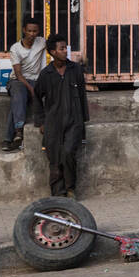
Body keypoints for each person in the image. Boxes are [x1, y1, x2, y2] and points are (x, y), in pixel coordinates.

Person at [34, 35, 90, 197]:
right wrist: (41, 122)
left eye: (66, 48)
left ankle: (71, 189)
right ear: (53, 52)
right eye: (62, 49)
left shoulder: (76, 70)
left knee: (67, 153)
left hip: (74, 121)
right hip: (53, 123)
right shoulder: (46, 74)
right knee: (55, 159)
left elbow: (82, 95)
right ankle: (58, 195)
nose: (65, 51)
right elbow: (37, 97)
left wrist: (83, 121)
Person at [2, 16, 45, 152]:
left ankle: (9, 139)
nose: (32, 34)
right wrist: (31, 90)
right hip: (17, 80)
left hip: (35, 80)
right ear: (24, 30)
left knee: (17, 102)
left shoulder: (42, 42)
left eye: (35, 31)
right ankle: (19, 130)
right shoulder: (15, 48)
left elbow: (56, 49)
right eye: (29, 31)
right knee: (20, 94)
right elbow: (19, 75)